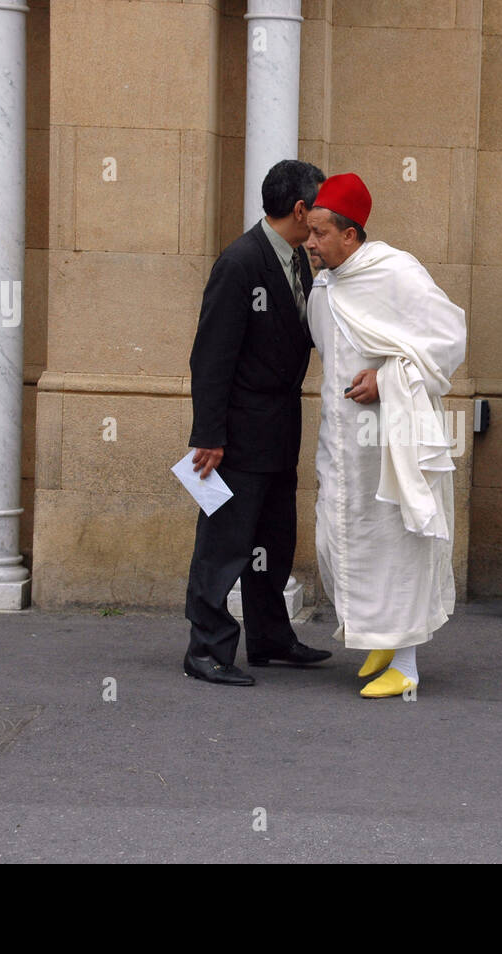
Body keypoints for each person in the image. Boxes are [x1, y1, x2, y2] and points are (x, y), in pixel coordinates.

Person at [303, 173, 467, 698]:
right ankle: (375, 632)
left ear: (351, 235)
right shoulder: (328, 281)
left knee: (397, 539)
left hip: (390, 437)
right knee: (338, 533)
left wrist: (387, 377)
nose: (310, 242)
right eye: (309, 232)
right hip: (342, 438)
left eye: (321, 233)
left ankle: (407, 664)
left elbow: (447, 340)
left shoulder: (395, 273)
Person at [183, 159, 333, 687]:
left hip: (278, 428)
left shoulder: (297, 260)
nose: (321, 219)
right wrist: (209, 437)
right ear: (299, 208)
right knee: (224, 544)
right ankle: (206, 648)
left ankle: (270, 638)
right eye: (318, 208)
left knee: (273, 538)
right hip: (237, 438)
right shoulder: (241, 262)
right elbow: (211, 356)